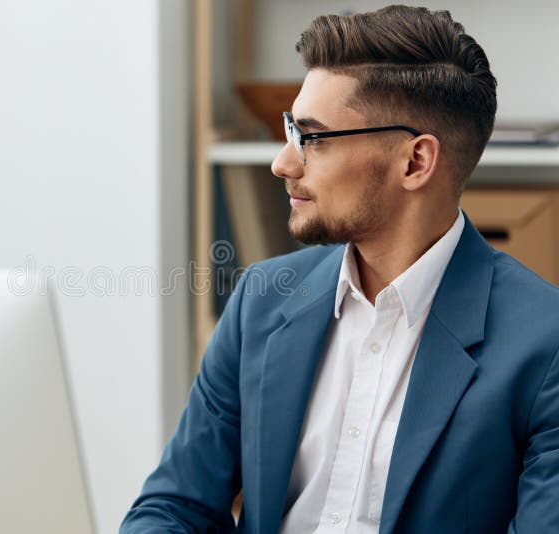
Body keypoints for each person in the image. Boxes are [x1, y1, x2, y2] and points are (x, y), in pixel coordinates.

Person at [121, 5, 559, 534]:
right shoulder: (261, 301)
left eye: (314, 137)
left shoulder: (544, 343)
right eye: (291, 128)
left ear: (415, 162)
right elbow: (174, 508)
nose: (283, 162)